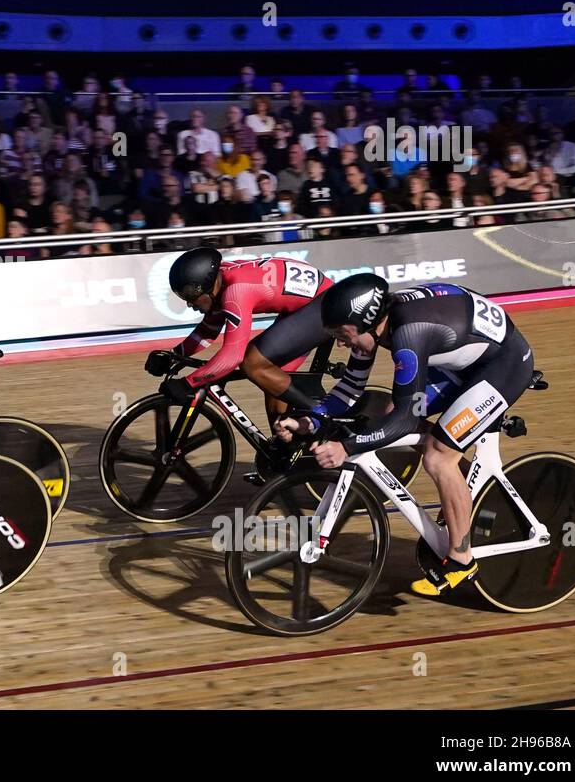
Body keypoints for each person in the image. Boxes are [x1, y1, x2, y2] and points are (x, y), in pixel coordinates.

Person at [282, 274, 535, 598]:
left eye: (344, 336)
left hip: (504, 365)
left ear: (367, 323)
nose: (343, 344)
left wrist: (347, 446)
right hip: (462, 358)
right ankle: (462, 487)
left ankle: (461, 561)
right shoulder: (374, 325)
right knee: (390, 413)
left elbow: (405, 418)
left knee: (437, 455)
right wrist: (309, 422)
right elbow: (348, 391)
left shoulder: (407, 333)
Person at [148, 247, 334, 429]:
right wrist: (173, 355)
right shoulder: (219, 282)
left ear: (208, 285)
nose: (189, 303)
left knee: (252, 362)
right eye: (183, 296)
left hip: (324, 308)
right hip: (308, 306)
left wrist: (189, 383)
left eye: (191, 295)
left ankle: (321, 416)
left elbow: (233, 356)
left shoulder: (235, 292)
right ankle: (286, 444)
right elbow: (207, 332)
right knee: (272, 379)